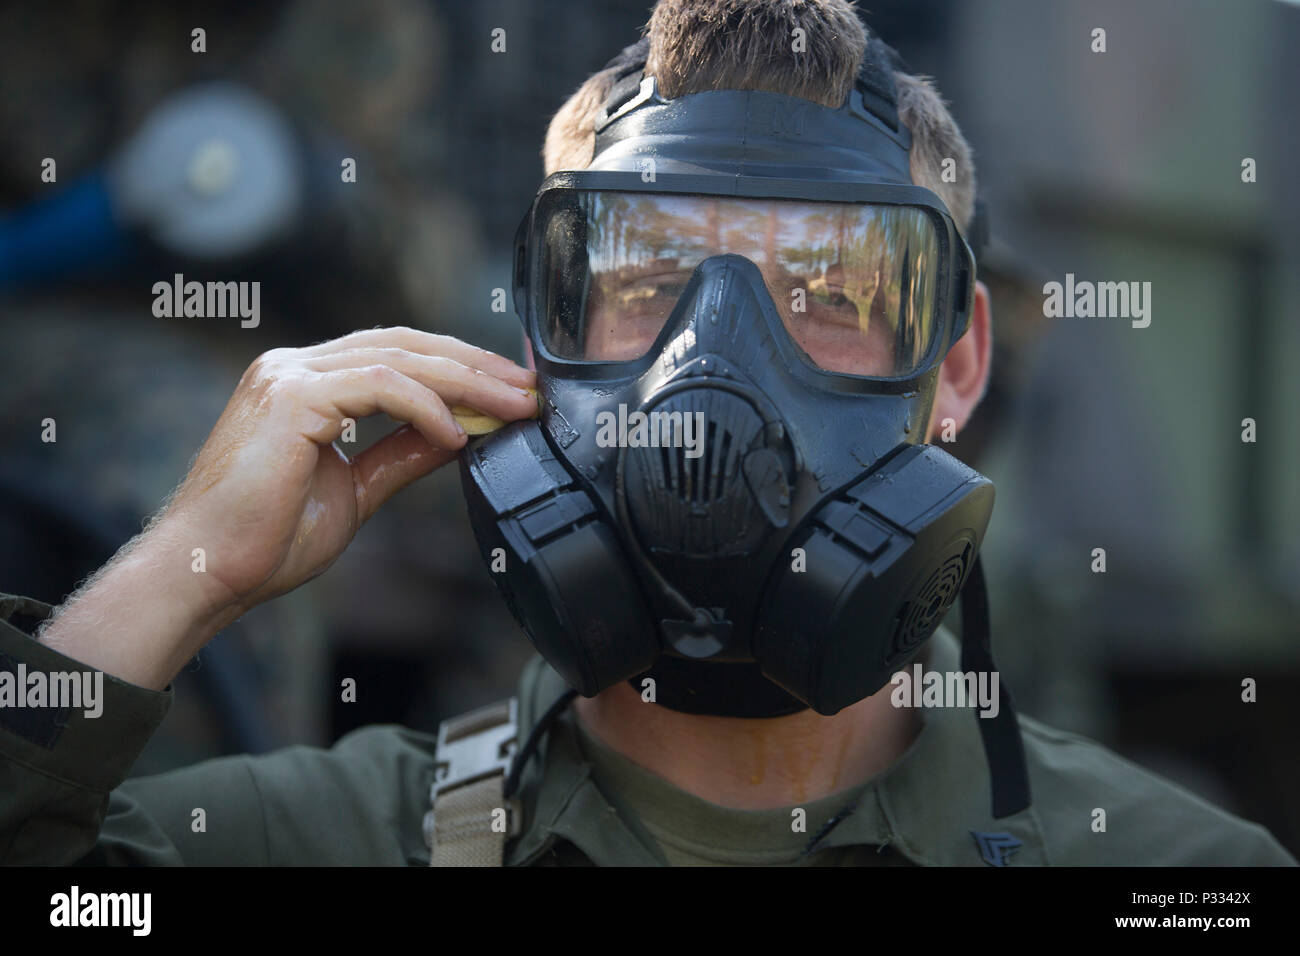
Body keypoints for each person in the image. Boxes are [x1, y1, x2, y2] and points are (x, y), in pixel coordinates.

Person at [0, 0, 1293, 867]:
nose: (713, 368)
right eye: (641, 280)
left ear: (955, 370)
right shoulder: (342, 835)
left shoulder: (1176, 874)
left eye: (828, 294)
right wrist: (188, 563)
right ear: (532, 350)